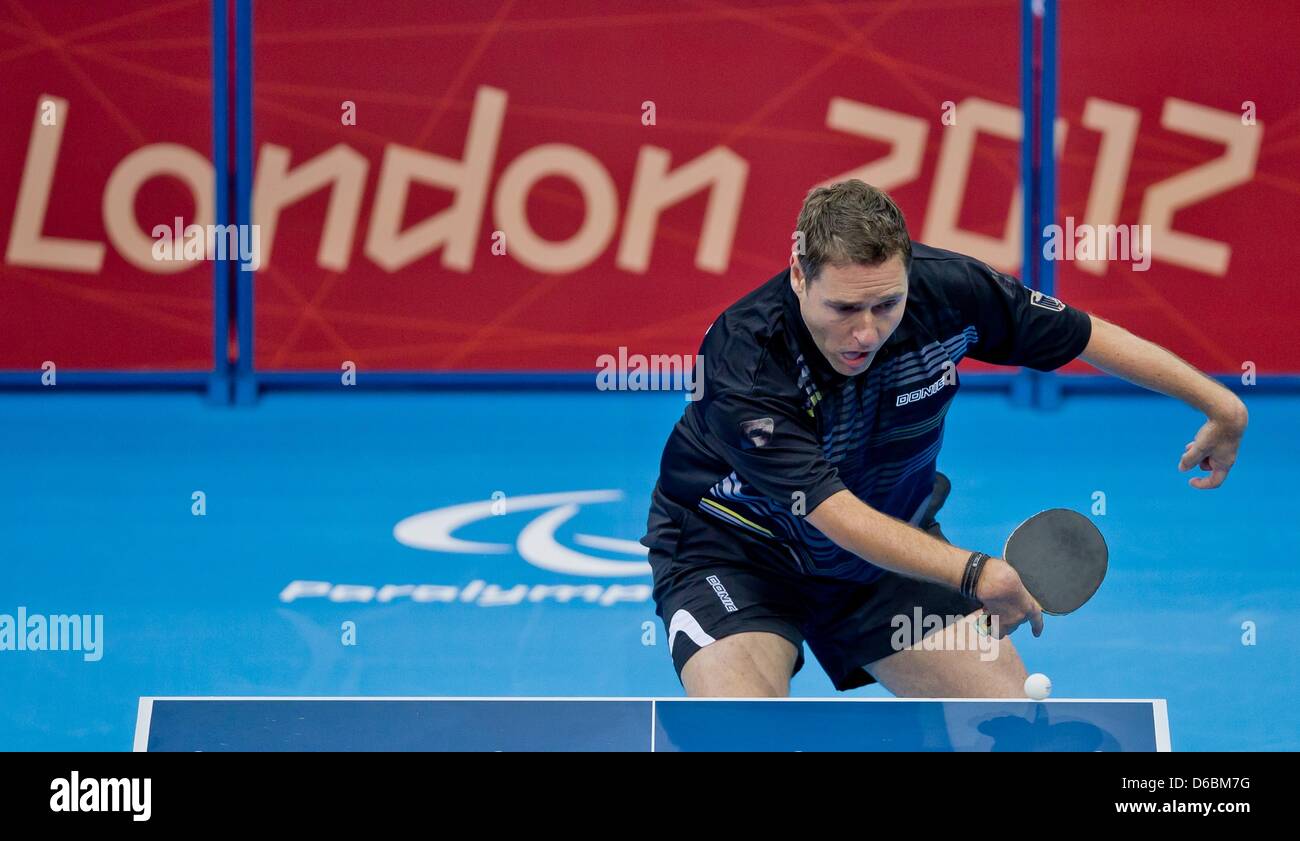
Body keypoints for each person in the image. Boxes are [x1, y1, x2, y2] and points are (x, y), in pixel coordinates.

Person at [640, 179, 1247, 697]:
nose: (867, 332)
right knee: (740, 736)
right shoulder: (746, 359)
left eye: (887, 303)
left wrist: (1219, 402)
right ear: (799, 274)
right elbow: (834, 514)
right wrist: (973, 570)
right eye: (845, 308)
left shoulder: (949, 291)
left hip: (887, 547)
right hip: (737, 550)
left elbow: (1083, 336)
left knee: (1002, 718)